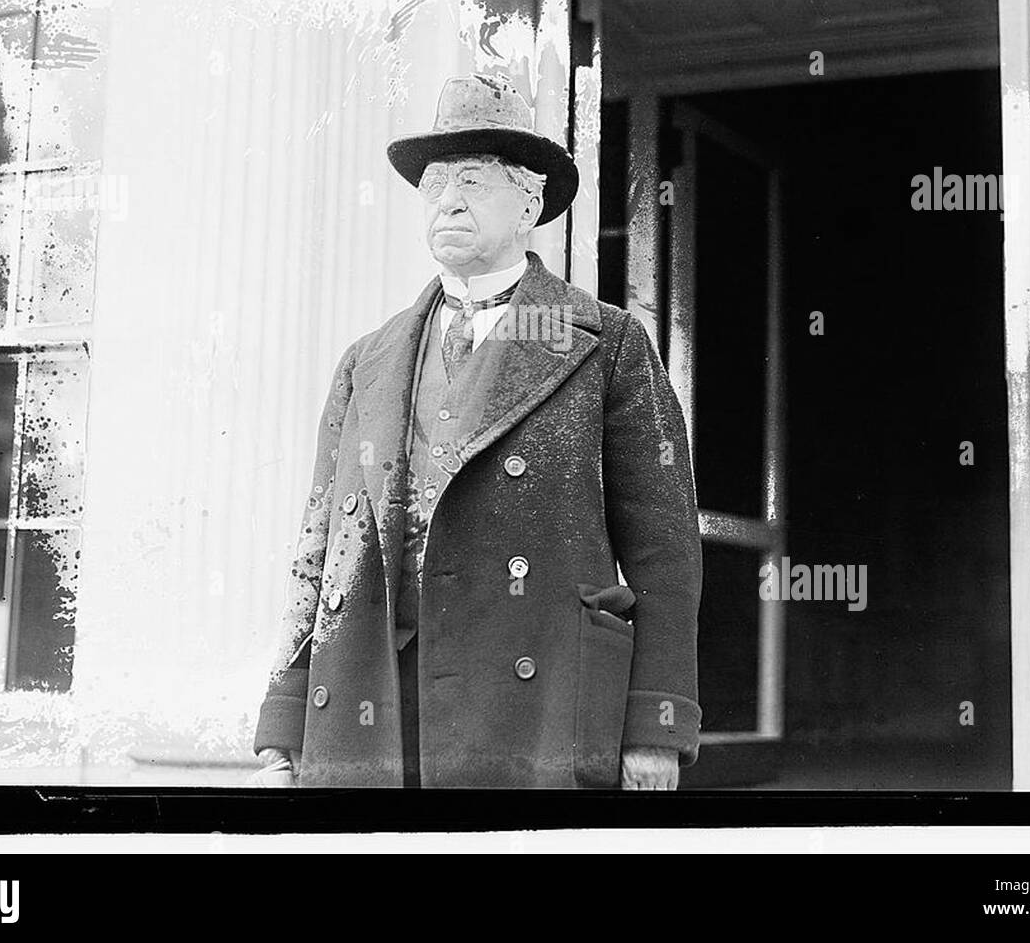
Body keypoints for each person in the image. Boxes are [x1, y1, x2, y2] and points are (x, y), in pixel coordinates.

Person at [251, 73, 702, 788]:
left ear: (529, 203)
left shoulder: (605, 343)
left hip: (537, 705)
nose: (447, 201)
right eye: (433, 185)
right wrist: (283, 723)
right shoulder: (368, 361)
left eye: (471, 180)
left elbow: (665, 557)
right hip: (375, 711)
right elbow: (321, 554)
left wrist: (657, 725)